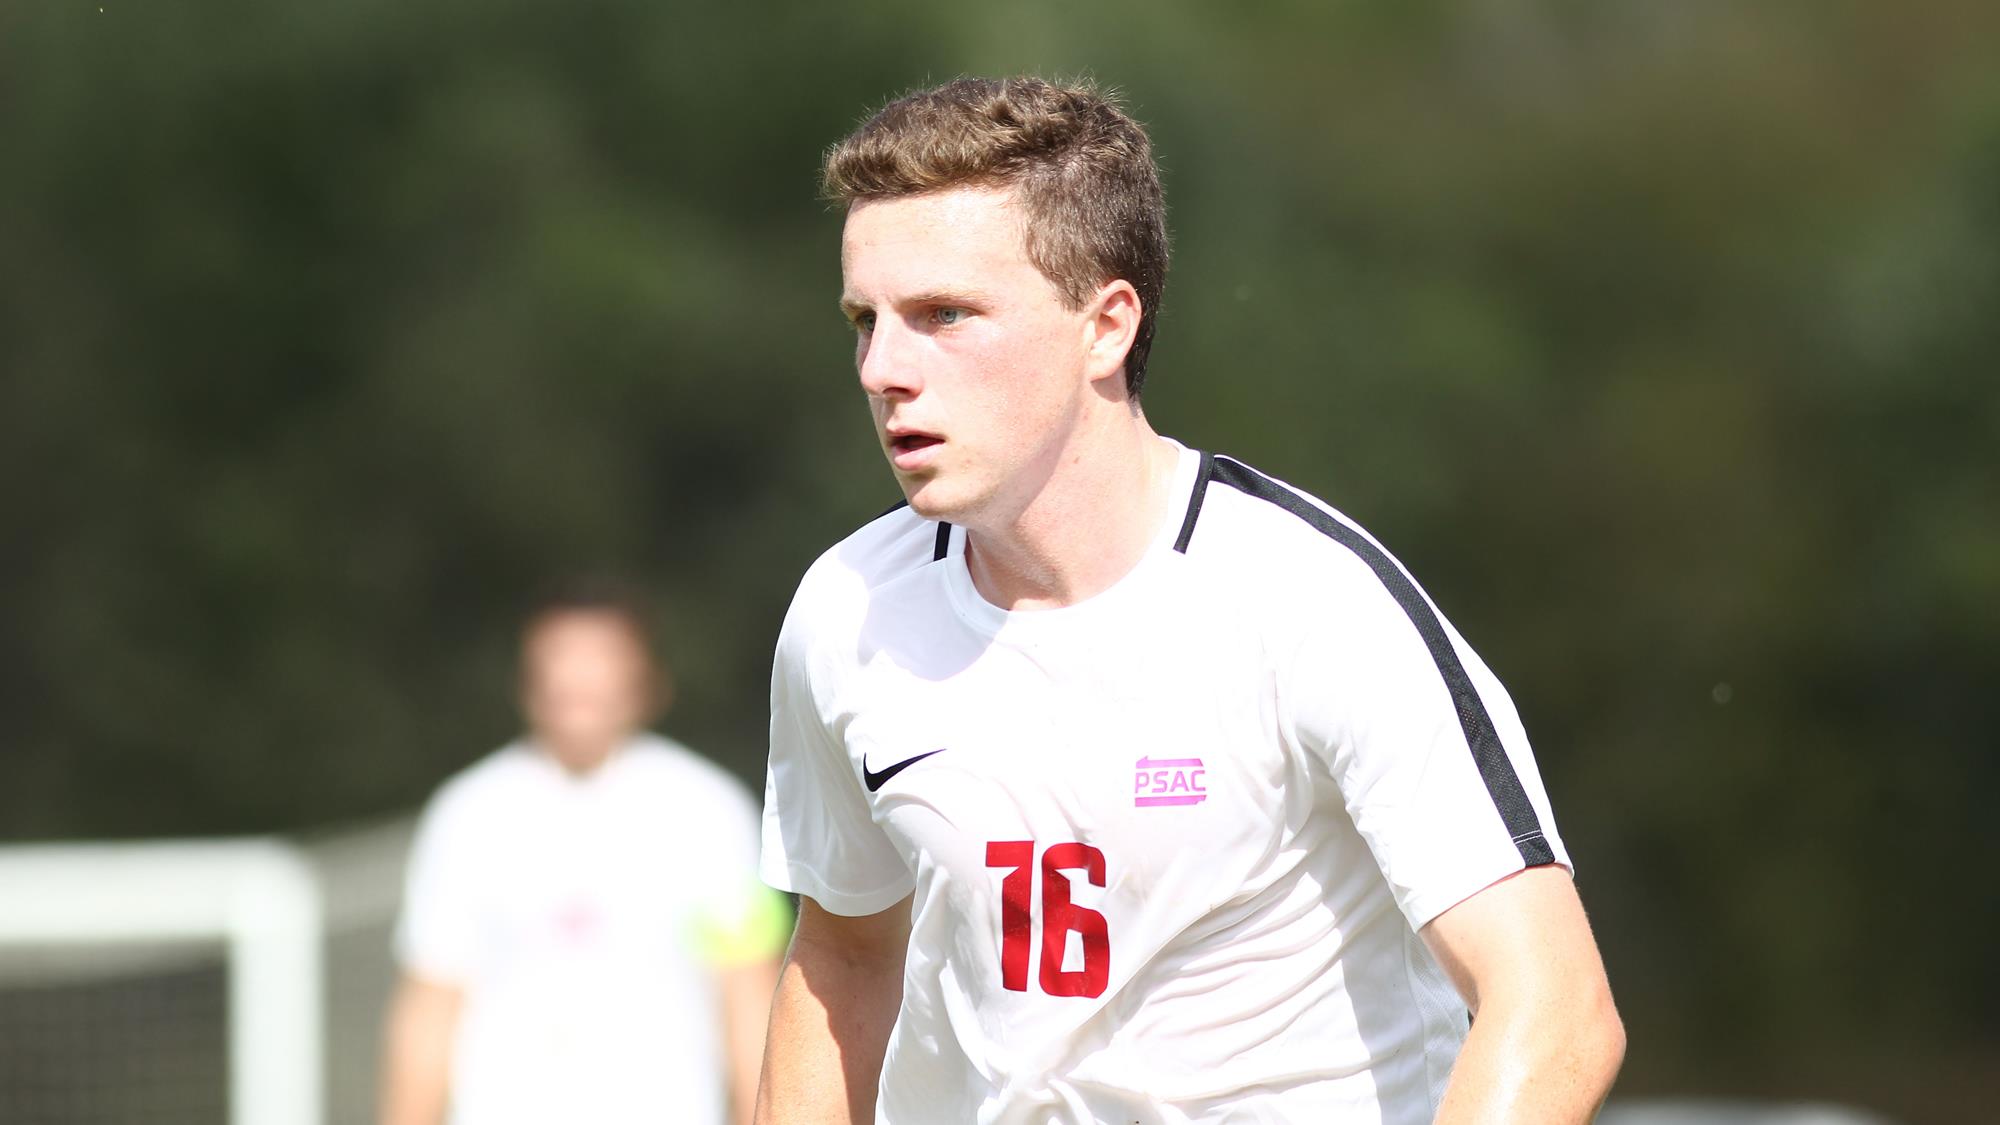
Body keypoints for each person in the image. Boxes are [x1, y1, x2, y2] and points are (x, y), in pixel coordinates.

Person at [755, 76, 1625, 1124]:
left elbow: (1554, 1011)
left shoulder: (1309, 602)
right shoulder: (847, 610)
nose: (882, 368)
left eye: (945, 314)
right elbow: (844, 959)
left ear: (1105, 327)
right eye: (866, 320)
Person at [380, 581, 788, 1125]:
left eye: (600, 660)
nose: (577, 680)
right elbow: (430, 1009)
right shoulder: (467, 815)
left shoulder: (710, 811)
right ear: (527, 680)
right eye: (560, 660)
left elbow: (748, 994)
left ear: (647, 682)